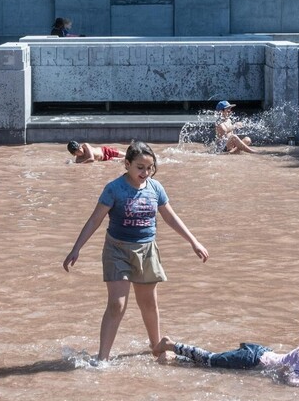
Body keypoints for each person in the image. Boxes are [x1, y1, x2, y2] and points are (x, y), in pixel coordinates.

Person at [63, 141, 209, 362]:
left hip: (147, 249)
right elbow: (95, 219)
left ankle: (157, 347)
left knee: (149, 303)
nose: (145, 172)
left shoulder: (156, 188)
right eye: (140, 167)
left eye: (149, 168)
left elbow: (170, 217)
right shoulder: (114, 189)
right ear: (127, 164)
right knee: (117, 304)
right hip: (117, 249)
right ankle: (102, 359)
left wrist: (193, 241)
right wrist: (76, 248)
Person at [152, 324, 299, 389]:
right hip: (250, 359)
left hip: (258, 359)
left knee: (208, 366)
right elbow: (291, 379)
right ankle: (172, 345)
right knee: (210, 360)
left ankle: (172, 359)